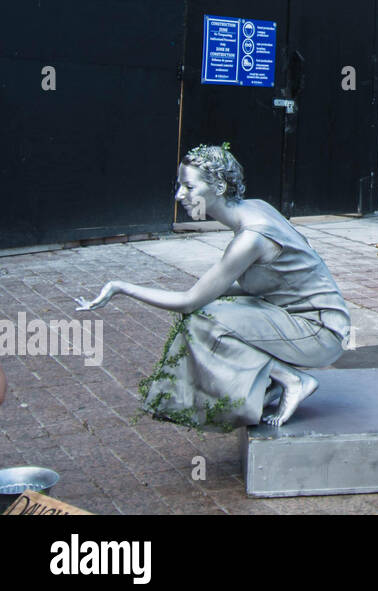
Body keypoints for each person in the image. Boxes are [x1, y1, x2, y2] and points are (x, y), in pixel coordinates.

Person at [77, 145, 351, 429]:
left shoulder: (251, 239)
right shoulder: (257, 207)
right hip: (304, 317)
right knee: (214, 309)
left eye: (188, 187)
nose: (179, 195)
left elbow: (188, 302)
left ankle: (293, 380)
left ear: (218, 186)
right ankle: (270, 381)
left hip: (321, 333)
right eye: (179, 185)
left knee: (205, 318)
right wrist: (210, 295)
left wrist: (122, 288)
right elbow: (280, 277)